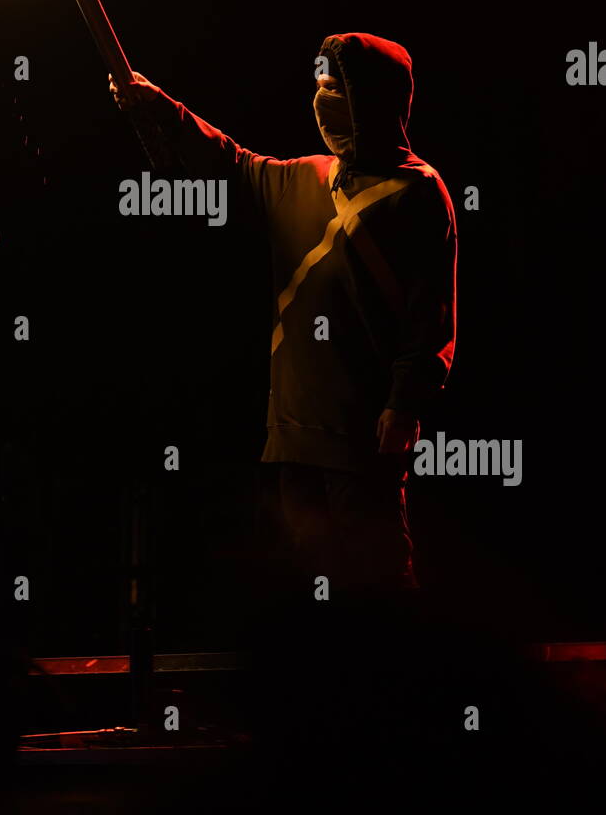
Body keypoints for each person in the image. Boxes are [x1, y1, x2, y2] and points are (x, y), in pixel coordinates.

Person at [110, 32, 457, 600]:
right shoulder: (304, 177)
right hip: (292, 431)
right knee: (310, 592)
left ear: (372, 97)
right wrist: (159, 107)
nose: (322, 98)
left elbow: (432, 314)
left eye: (336, 86)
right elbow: (229, 160)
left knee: (381, 588)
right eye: (318, 84)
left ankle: (402, 686)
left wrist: (404, 402)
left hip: (364, 431)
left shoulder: (418, 192)